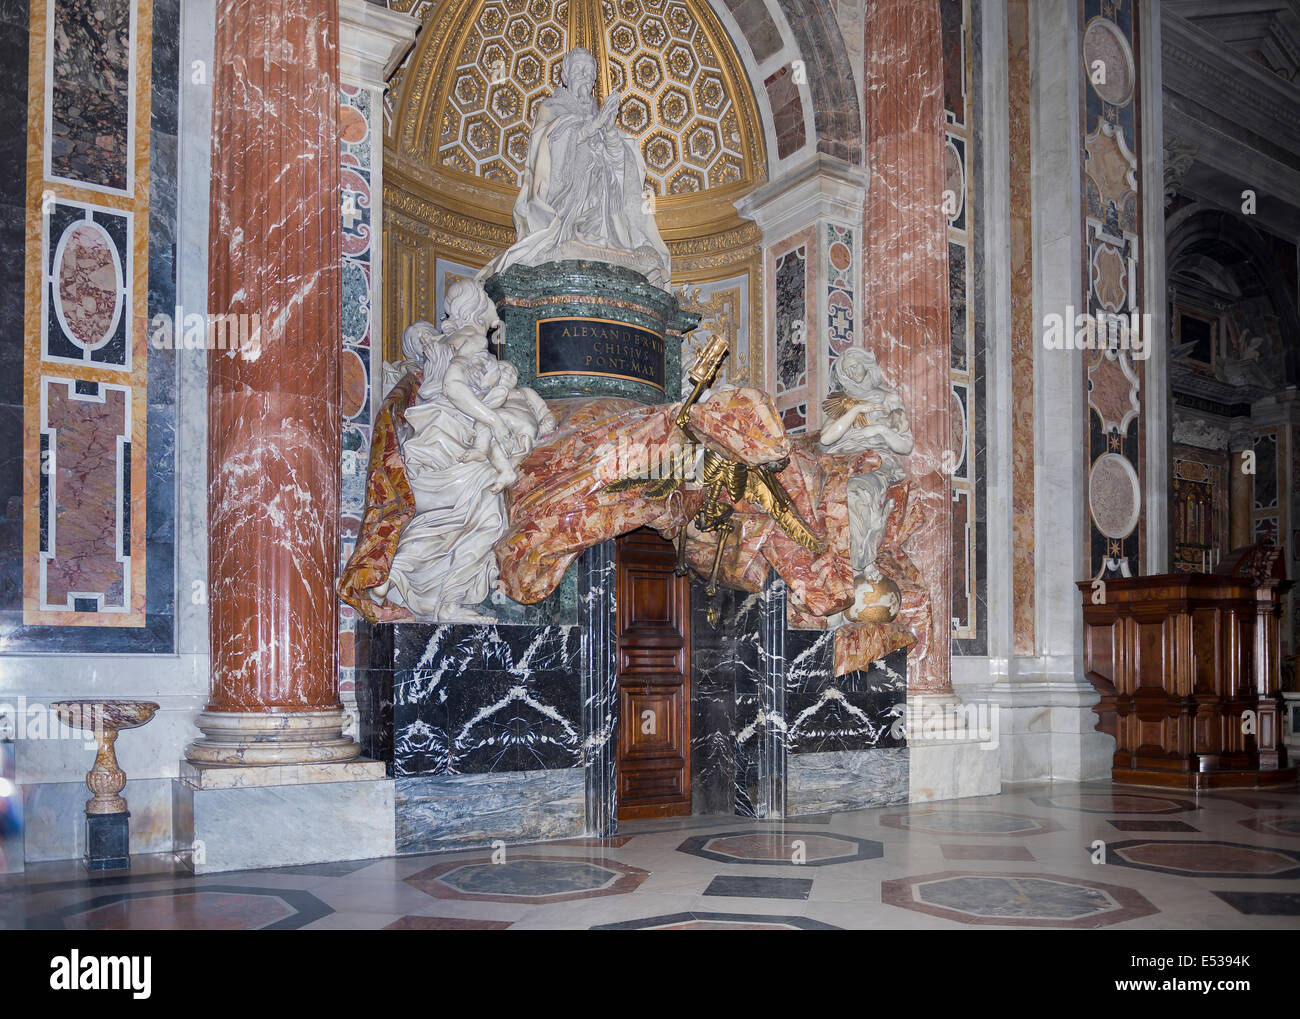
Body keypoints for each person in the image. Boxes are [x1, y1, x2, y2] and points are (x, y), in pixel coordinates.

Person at [478, 47, 672, 287]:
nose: (585, 75)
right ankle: (572, 235)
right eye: (579, 70)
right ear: (566, 75)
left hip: (604, 205)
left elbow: (621, 166)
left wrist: (610, 131)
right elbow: (544, 148)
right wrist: (590, 128)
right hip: (566, 199)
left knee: (625, 150)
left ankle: (610, 242)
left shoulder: (601, 113)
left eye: (590, 71)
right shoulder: (551, 108)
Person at [819, 348, 914, 581]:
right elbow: (826, 439)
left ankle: (860, 563)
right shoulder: (843, 403)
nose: (852, 371)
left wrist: (880, 429)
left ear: (866, 364)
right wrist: (856, 410)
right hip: (841, 463)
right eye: (846, 369)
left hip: (874, 464)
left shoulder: (888, 399)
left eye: (855, 365)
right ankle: (835, 571)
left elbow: (906, 445)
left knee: (855, 492)